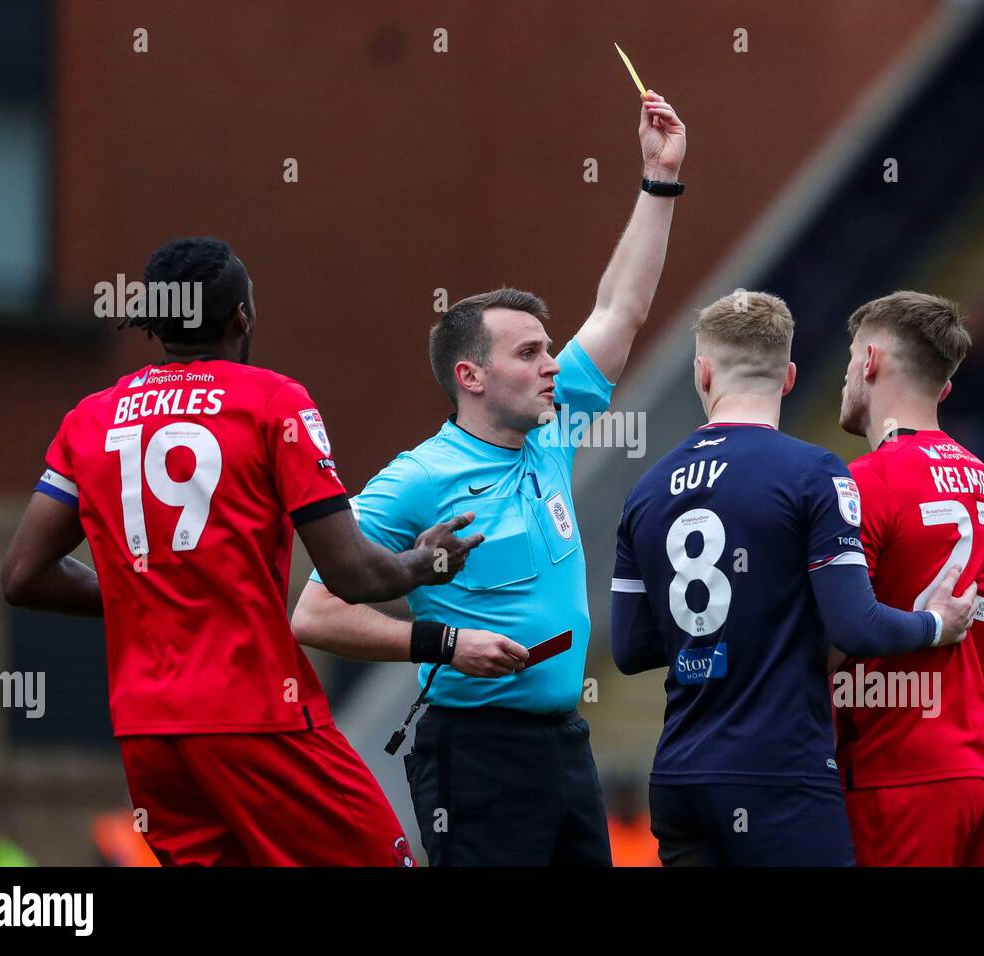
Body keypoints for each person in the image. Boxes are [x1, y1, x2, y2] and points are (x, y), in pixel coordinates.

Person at [291, 90, 688, 866]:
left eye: (550, 351)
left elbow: (621, 309)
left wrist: (659, 181)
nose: (552, 366)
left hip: (564, 748)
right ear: (471, 376)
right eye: (531, 354)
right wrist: (444, 642)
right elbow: (313, 614)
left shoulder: (549, 437)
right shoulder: (417, 479)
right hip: (474, 756)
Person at [1, 237, 479, 866]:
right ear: (241, 318)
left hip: (149, 732)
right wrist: (425, 561)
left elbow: (22, 575)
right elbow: (354, 574)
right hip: (257, 714)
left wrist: (146, 593)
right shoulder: (272, 402)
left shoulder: (91, 418)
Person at [609, 291, 977, 866]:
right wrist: (934, 624)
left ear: (703, 374)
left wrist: (723, 633)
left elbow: (630, 649)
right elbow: (856, 626)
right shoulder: (813, 473)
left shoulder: (646, 490)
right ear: (789, 378)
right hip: (779, 774)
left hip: (679, 776)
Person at [834, 291, 984, 866]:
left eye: (848, 360)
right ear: (944, 389)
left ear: (870, 362)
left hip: (899, 774)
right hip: (977, 770)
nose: (844, 378)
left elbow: (830, 642)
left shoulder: (867, 482)